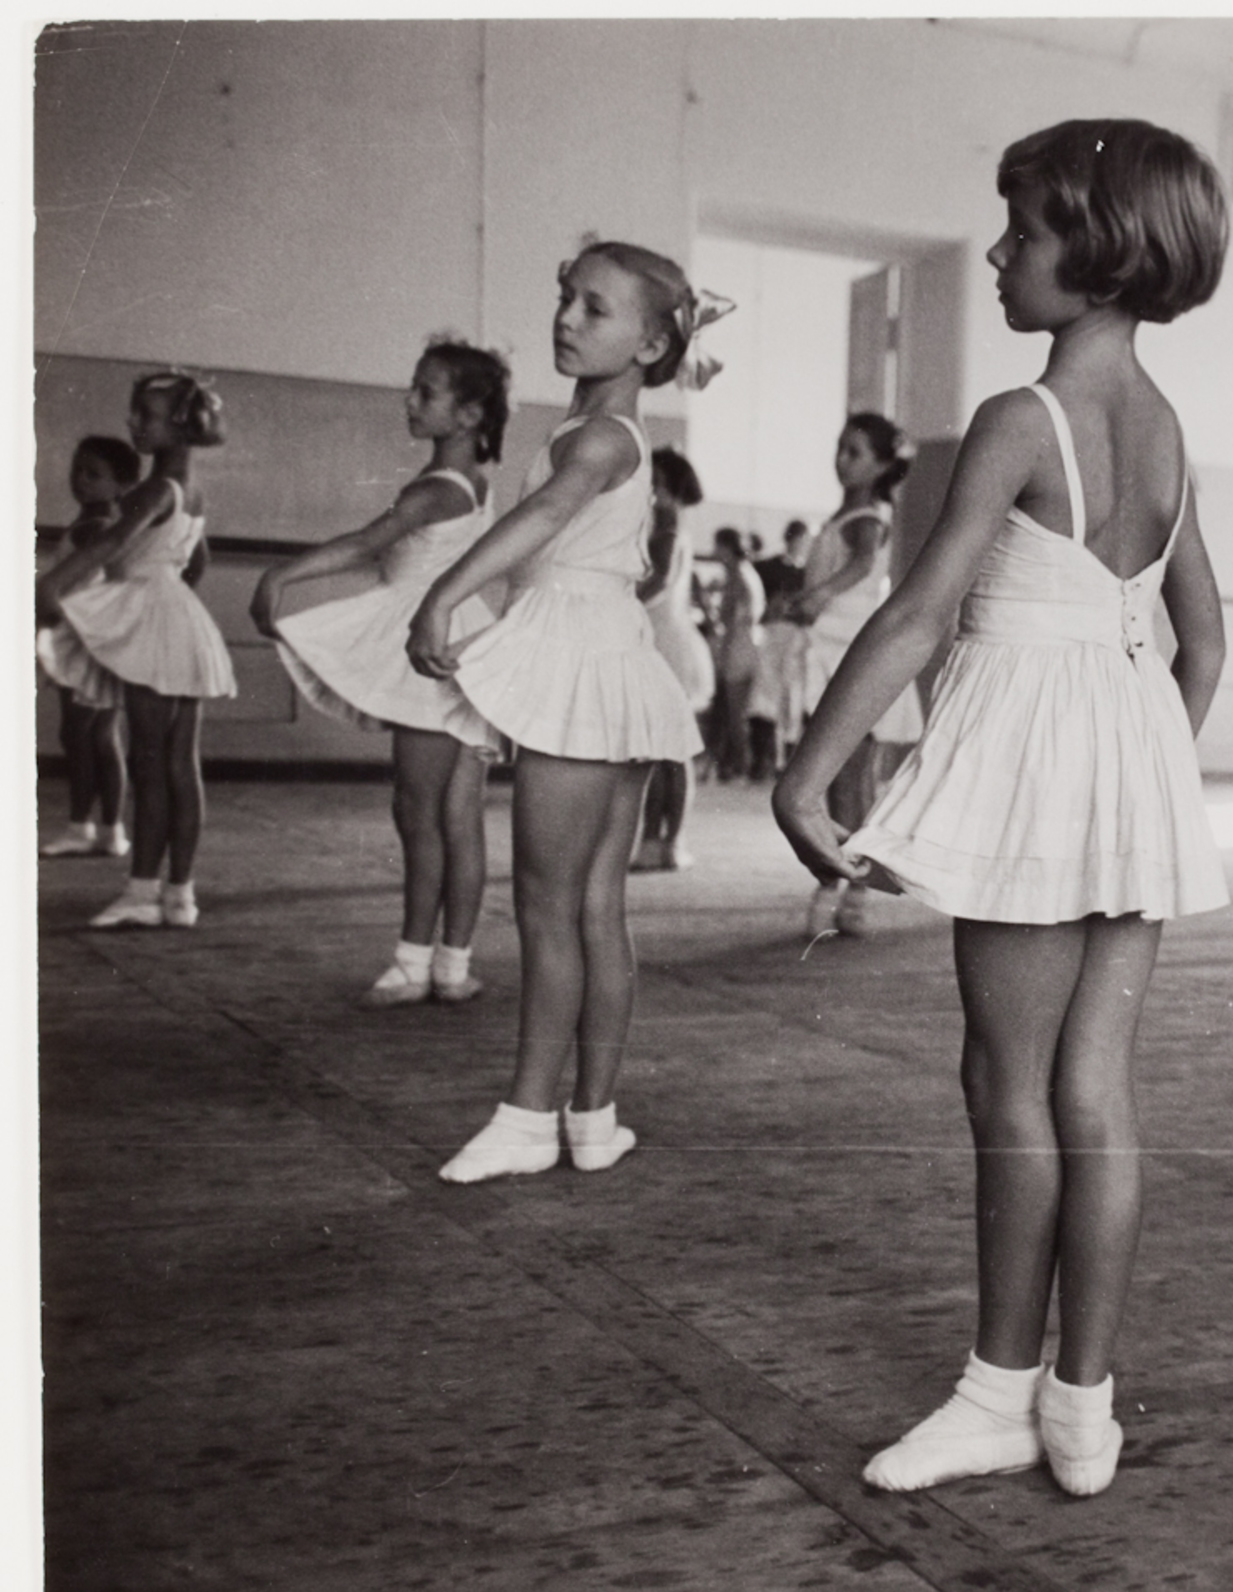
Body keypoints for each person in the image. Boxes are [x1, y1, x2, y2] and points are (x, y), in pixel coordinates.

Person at [773, 118, 1228, 1498]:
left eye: (1022, 230)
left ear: (1093, 257)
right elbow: (1200, 644)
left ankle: (994, 1395)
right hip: (1127, 761)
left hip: (1043, 779)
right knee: (1097, 1089)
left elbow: (916, 613)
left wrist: (807, 770)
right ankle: (1083, 1410)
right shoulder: (1165, 431)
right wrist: (1136, 772)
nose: (995, 250)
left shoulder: (1022, 420)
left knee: (1007, 1085)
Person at [407, 241, 724, 1184]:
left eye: (595, 309)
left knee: (552, 908)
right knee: (592, 907)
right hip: (602, 653)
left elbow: (538, 519)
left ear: (652, 341)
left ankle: (525, 1117)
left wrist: (443, 596)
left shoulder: (600, 439)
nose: (567, 319)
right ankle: (592, 1120)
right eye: (565, 299)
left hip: (582, 658)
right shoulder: (603, 425)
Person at [253, 340, 511, 1005]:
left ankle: (413, 961)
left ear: (468, 415)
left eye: (427, 392)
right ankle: (450, 965)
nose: (410, 400)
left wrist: (283, 573)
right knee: (458, 815)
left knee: (419, 810)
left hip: (433, 644)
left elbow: (369, 543)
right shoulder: (474, 484)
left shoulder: (436, 489)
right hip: (466, 640)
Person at [37, 372, 235, 929]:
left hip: (157, 622)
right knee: (179, 764)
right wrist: (166, 603)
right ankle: (180, 894)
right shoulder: (191, 492)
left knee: (151, 764)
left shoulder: (152, 491)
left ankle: (144, 891)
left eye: (145, 416)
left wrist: (49, 589)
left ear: (178, 425)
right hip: (178, 620)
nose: (133, 423)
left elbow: (108, 544)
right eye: (134, 412)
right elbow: (196, 563)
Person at [795, 412, 920, 939]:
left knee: (850, 785)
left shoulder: (870, 514)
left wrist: (822, 594)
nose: (842, 460)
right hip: (829, 650)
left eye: (855, 453)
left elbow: (865, 564)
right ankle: (837, 881)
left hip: (854, 654)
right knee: (827, 782)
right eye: (840, 448)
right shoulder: (842, 513)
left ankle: (850, 890)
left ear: (884, 464)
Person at [37, 435, 141, 859]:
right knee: (98, 735)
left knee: (81, 735)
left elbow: (76, 584)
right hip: (91, 638)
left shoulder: (97, 528)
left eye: (93, 474)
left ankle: (85, 827)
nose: (80, 480)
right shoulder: (96, 523)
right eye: (77, 470)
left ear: (121, 485)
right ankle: (110, 829)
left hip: (86, 640)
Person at [634, 445, 713, 871]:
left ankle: (668, 841)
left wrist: (624, 601)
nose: (651, 492)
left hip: (666, 644)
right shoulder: (668, 527)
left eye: (657, 485)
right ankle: (659, 842)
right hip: (663, 638)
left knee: (669, 753)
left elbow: (660, 581)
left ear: (672, 490)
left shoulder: (667, 530)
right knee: (663, 753)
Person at [700, 526, 764, 780]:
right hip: (749, 645)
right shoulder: (746, 573)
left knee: (734, 712)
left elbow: (729, 620)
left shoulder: (737, 576)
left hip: (737, 648)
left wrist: (705, 603)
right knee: (736, 711)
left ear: (726, 547)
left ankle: (740, 765)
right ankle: (737, 763)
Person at [751, 519, 812, 777]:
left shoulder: (807, 572)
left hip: (795, 638)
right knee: (765, 697)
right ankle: (763, 760)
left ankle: (785, 761)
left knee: (791, 698)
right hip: (773, 634)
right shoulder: (768, 567)